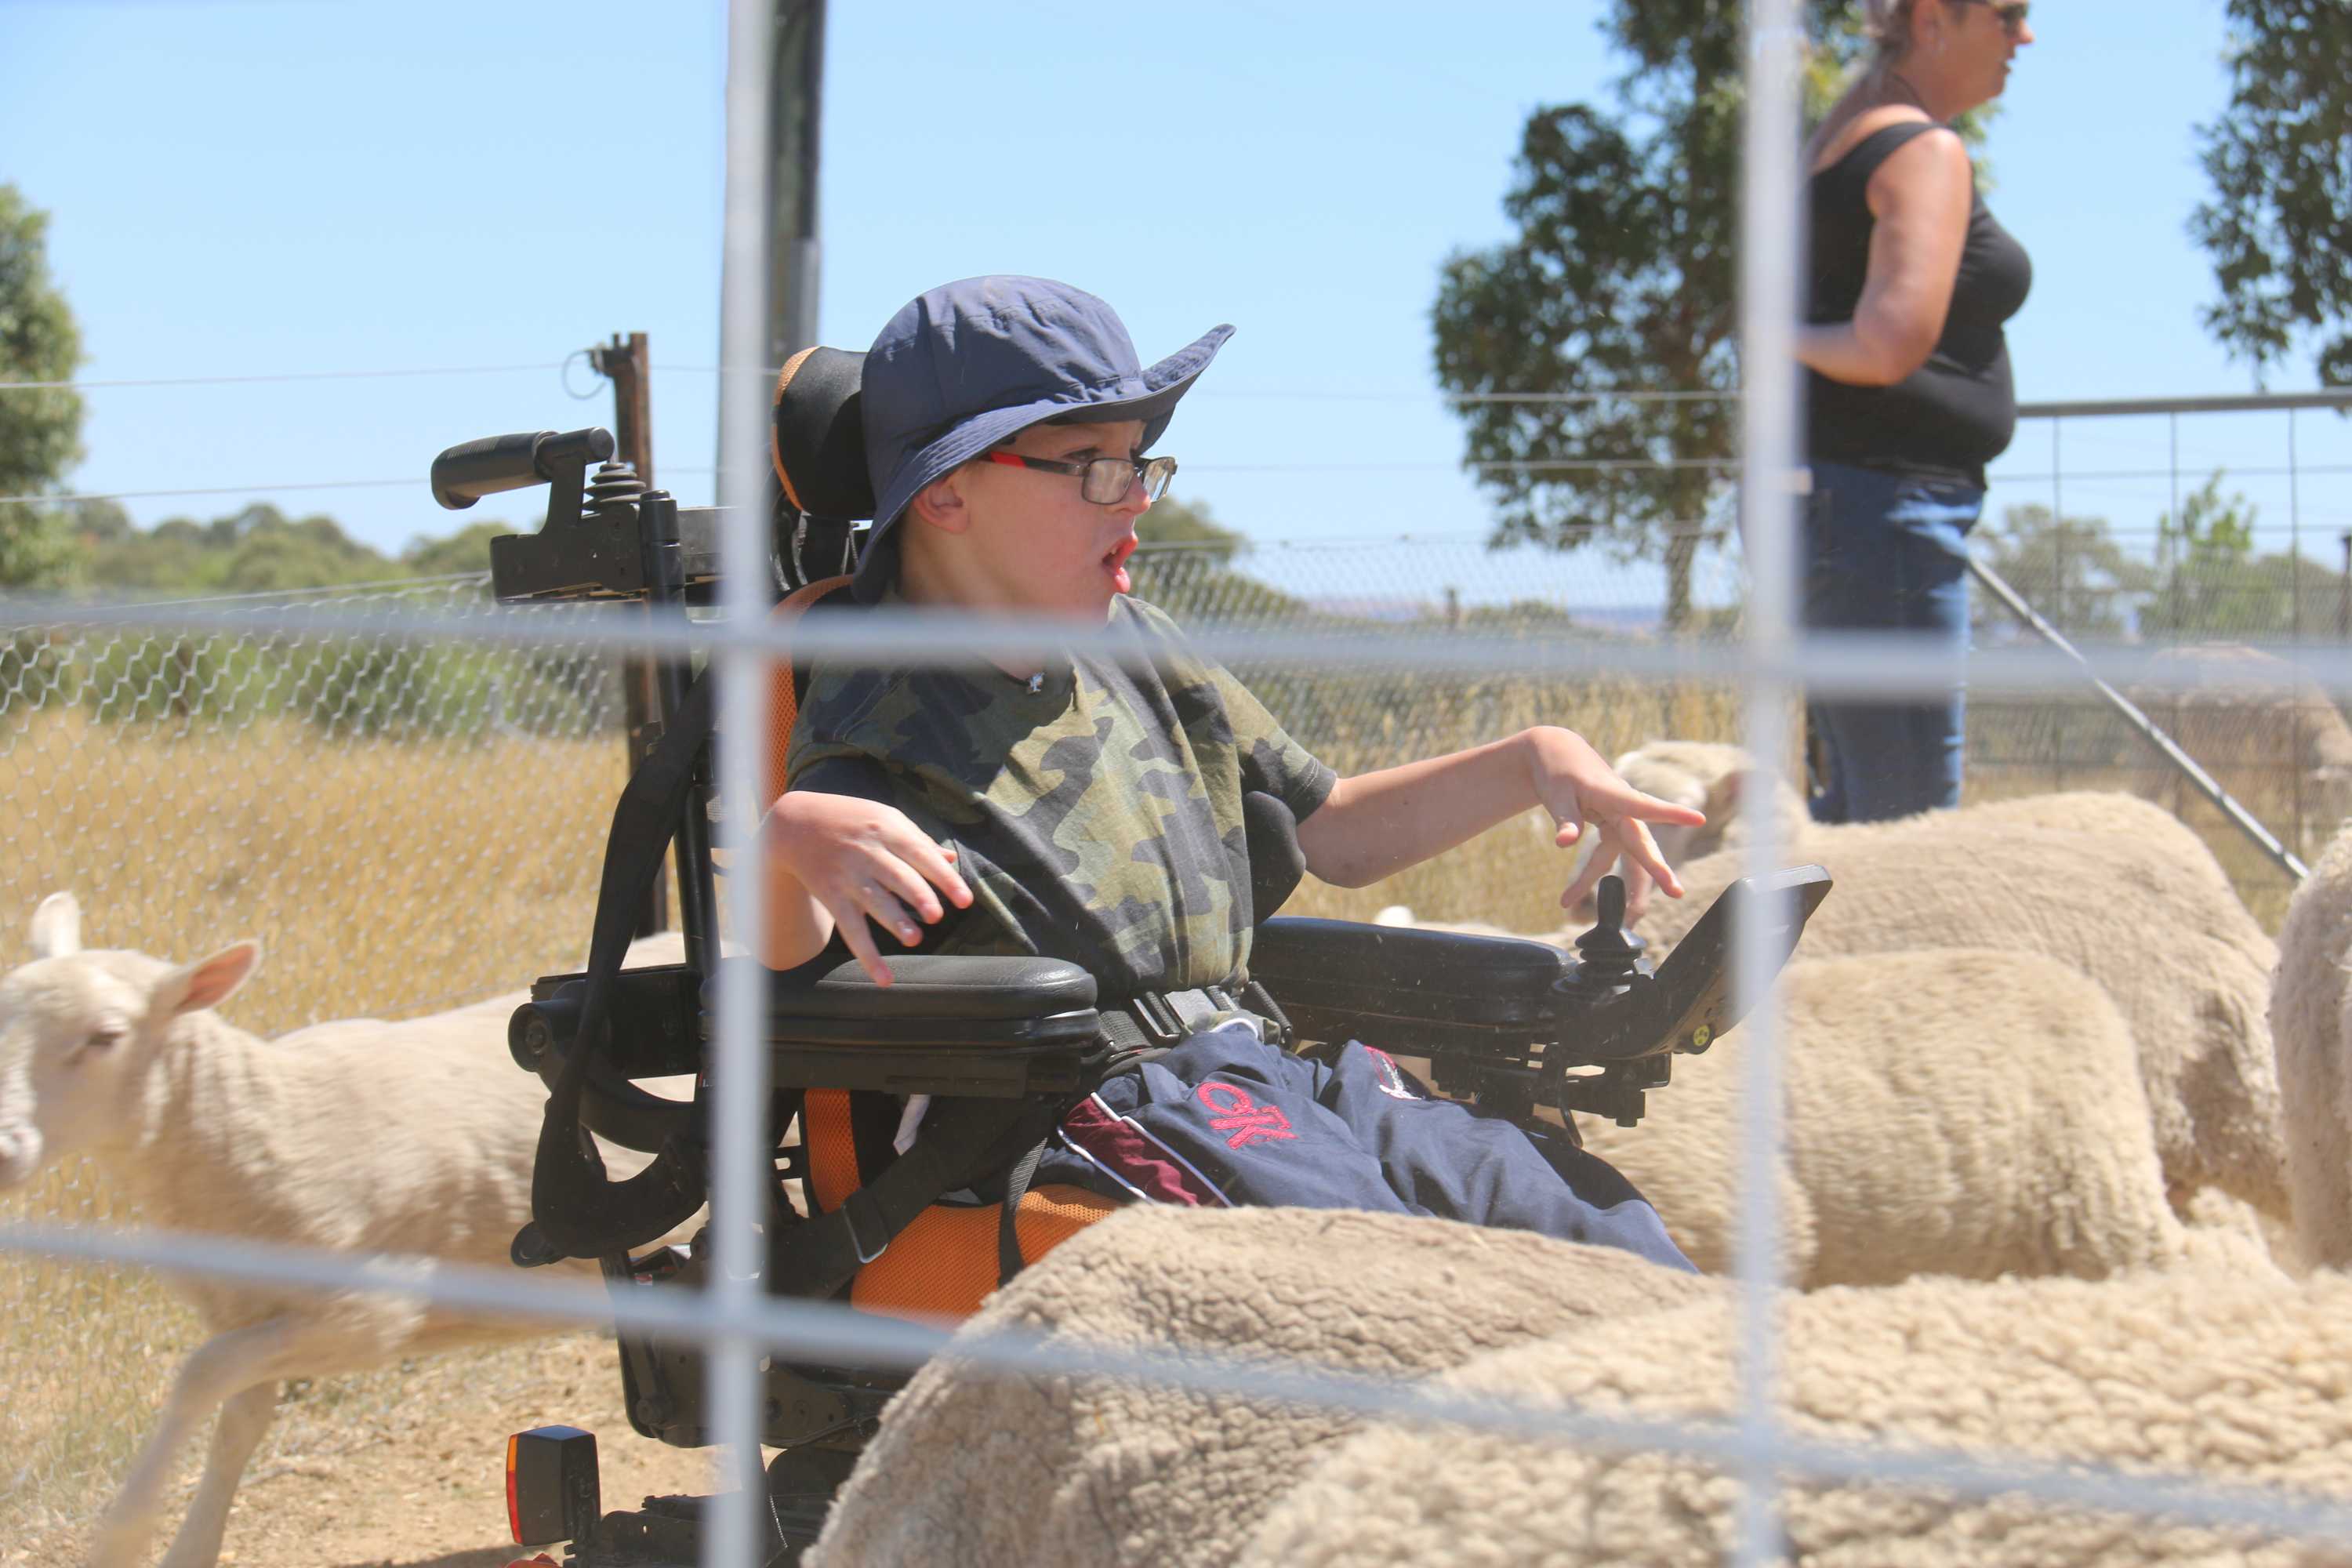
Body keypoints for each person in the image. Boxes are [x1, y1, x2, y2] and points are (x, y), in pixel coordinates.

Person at [755, 275, 1707, 1272]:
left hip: (1255, 1063)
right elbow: (800, 971)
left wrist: (1532, 759)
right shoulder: (875, 695)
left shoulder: (1138, 645)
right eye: (1092, 470)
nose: (1136, 502)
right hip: (1076, 1104)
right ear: (946, 490)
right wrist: (785, 842)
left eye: (1140, 465)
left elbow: (1338, 831)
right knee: (1399, 1279)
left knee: (1590, 1226)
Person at [1797, 0, 2034, 824]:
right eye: (2009, 14)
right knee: (1910, 826)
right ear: (1934, 19)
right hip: (1885, 515)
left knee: (1857, 809)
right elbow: (1889, 342)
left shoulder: (1843, 128)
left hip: (1845, 513)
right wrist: (1775, 337)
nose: (2025, 36)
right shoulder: (1922, 149)